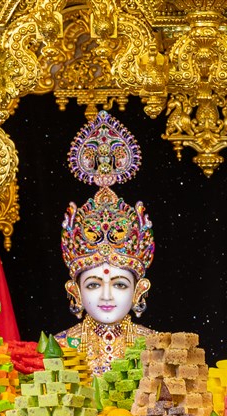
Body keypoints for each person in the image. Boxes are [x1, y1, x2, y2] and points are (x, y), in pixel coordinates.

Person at [54, 112, 156, 375]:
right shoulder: (59, 348)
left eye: (120, 284)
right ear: (74, 291)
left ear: (139, 290)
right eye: (93, 284)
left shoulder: (158, 348)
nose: (107, 295)